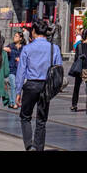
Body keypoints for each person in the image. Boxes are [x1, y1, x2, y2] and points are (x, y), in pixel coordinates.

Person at [15, 19, 62, 151]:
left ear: (34, 32)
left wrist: (18, 91)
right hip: (46, 86)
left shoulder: (27, 48)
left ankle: (29, 145)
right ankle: (39, 147)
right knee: (41, 119)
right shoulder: (54, 48)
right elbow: (59, 69)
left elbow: (21, 72)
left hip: (30, 85)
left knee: (25, 116)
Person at [70, 30, 87, 113]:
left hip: (79, 69)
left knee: (76, 87)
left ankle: (74, 105)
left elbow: (76, 58)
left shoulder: (79, 46)